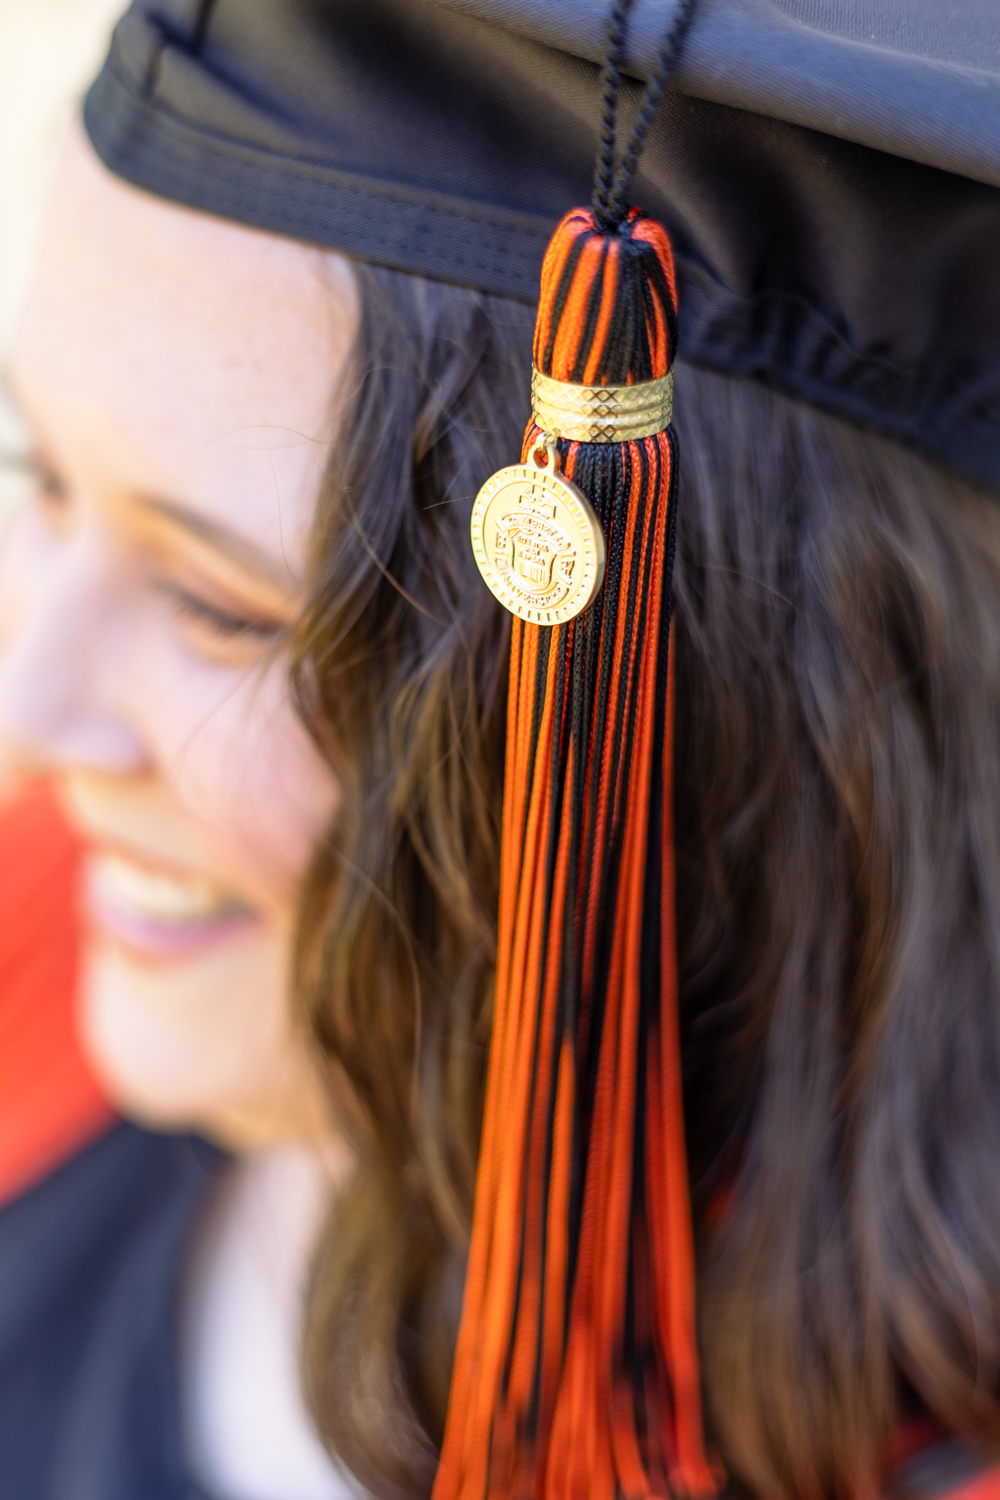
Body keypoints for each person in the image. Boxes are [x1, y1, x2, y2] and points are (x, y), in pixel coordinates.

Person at [0, 1, 999, 1498]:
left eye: (219, 607)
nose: (27, 718)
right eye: (39, 478)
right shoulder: (50, 925)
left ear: (664, 698)